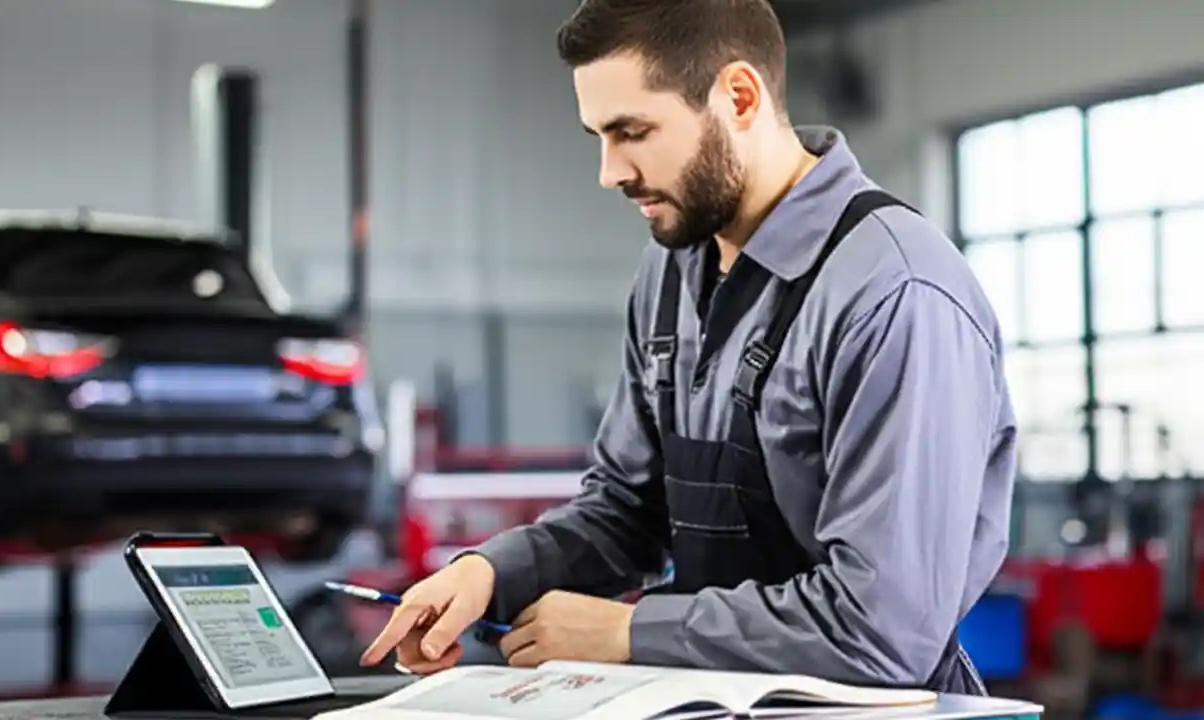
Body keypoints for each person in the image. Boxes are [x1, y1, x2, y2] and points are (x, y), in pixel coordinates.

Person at [361, 0, 1015, 695]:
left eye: (633, 132)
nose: (609, 171)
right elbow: (627, 511)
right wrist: (490, 574)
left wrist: (627, 634)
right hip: (722, 700)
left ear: (738, 97)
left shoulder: (896, 294)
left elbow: (883, 632)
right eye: (598, 137)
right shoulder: (671, 273)